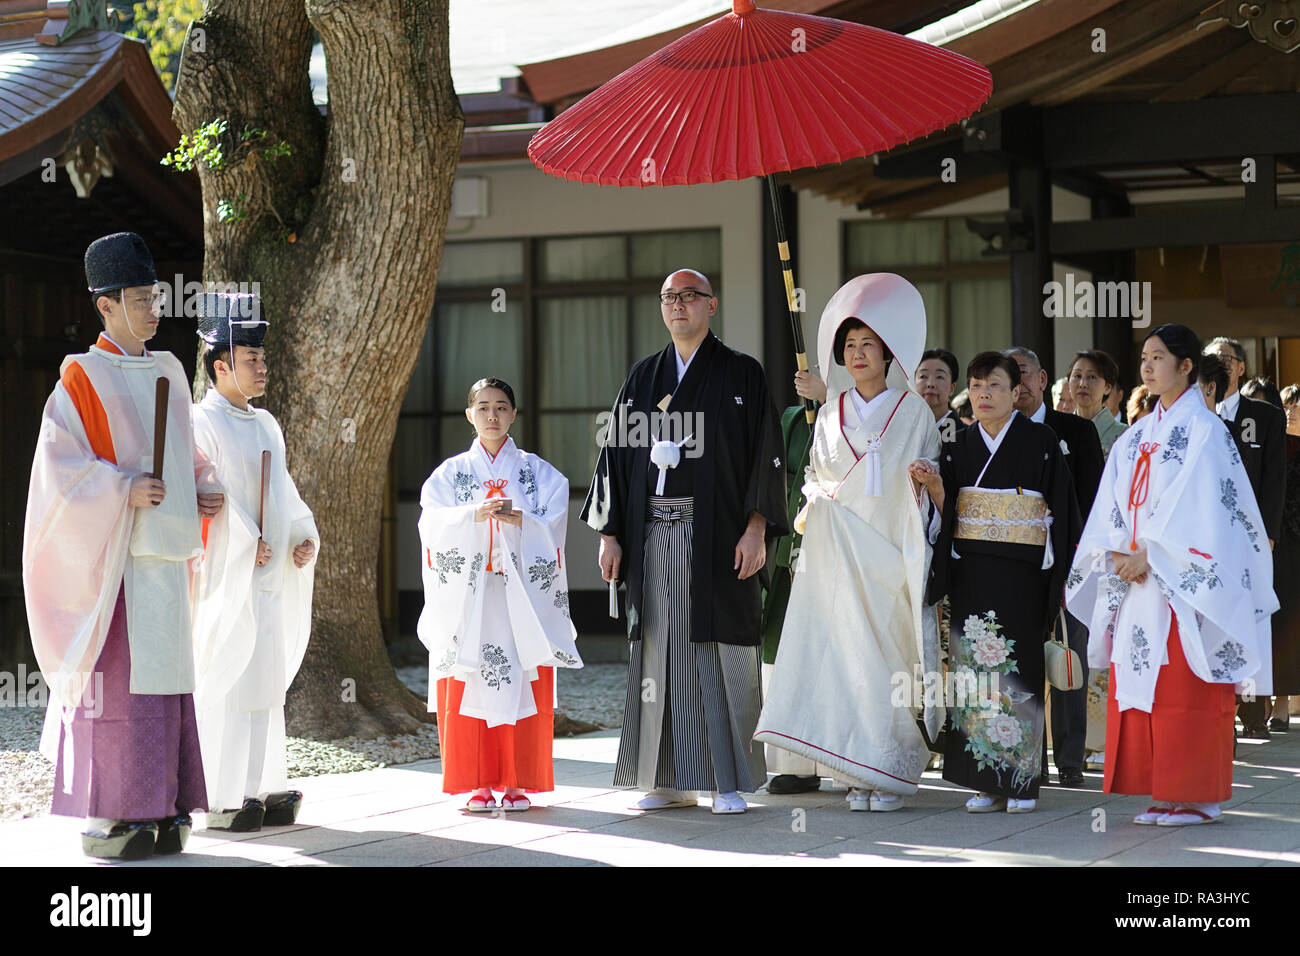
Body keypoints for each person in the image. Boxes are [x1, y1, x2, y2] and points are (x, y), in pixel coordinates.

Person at [24, 233, 223, 859]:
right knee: (122, 690)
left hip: (164, 556)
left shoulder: (168, 368)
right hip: (116, 562)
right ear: (105, 305)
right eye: (140, 298)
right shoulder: (82, 376)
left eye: (155, 296)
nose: (153, 308)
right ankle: (110, 817)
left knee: (167, 686)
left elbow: (187, 452)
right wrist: (121, 487)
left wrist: (204, 484)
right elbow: (60, 470)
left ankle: (164, 808)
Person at [583, 269, 787, 815]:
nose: (678, 305)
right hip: (651, 538)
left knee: (719, 653)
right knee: (657, 653)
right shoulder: (643, 376)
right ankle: (665, 778)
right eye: (670, 298)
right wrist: (610, 533)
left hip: (718, 537)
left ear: (711, 306)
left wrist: (756, 527)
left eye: (689, 297)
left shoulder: (741, 374)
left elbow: (767, 453)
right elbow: (616, 461)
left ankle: (727, 780)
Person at [1067, 324, 1277, 826]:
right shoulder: (1137, 434)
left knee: (1188, 686)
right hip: (1139, 584)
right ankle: (1164, 791)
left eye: (1158, 357)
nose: (1147, 366)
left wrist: (1154, 554)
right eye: (1144, 357)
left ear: (1186, 367)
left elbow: (1211, 511)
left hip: (1186, 584)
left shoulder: (1207, 432)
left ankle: (1198, 795)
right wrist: (1116, 552)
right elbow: (1112, 502)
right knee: (1150, 686)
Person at [756, 274, 942, 811]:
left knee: (886, 660)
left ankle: (888, 773)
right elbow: (814, 475)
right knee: (845, 663)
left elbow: (926, 481)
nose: (858, 355)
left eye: (869, 346)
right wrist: (816, 501)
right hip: (839, 555)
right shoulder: (830, 415)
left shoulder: (914, 412)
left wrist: (926, 485)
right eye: (851, 346)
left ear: (888, 355)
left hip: (888, 554)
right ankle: (856, 772)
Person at [915, 351, 1080, 813]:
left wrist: (1057, 572)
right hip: (971, 572)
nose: (985, 394)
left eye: (995, 386)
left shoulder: (1043, 440)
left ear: (1015, 393)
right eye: (978, 386)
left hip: (1023, 573)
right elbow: (950, 509)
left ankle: (1020, 780)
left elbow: (1061, 510)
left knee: (1017, 672)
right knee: (974, 674)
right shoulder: (959, 445)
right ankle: (984, 781)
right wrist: (934, 488)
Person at [418, 378, 582, 812]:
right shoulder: (450, 474)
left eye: (502, 407)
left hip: (519, 599)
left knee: (521, 682)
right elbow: (431, 523)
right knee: (469, 679)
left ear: (514, 414)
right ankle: (476, 782)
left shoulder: (537, 471)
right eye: (484, 407)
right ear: (469, 414)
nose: (492, 416)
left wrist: (519, 518)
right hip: (471, 598)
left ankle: (515, 782)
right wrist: (472, 515)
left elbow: (553, 520)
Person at [190, 292, 319, 832]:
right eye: (251, 361)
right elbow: (204, 491)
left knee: (265, 684)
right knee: (230, 677)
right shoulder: (201, 421)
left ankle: (263, 784)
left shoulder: (268, 424)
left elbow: (284, 490)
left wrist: (299, 534)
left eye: (264, 360)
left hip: (266, 573)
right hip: (227, 574)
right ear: (221, 366)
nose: (262, 369)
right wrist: (242, 539)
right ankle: (222, 796)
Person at [1007, 346, 1103, 788]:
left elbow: (1096, 500)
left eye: (1022, 373)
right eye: (1006, 375)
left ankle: (1069, 757)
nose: (1017, 383)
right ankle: (1028, 757)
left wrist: (1078, 559)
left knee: (1068, 657)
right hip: (1016, 565)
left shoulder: (1076, 431)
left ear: (1043, 379)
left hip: (1070, 561)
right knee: (1019, 659)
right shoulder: (995, 433)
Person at [1204, 337, 1286, 739]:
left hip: (1251, 536)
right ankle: (1216, 708)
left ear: (1241, 368)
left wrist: (1268, 533)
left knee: (1251, 617)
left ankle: (1253, 713)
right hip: (1206, 536)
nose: (1219, 366)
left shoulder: (1265, 417)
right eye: (1212, 360)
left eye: (1226, 360)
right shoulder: (1196, 414)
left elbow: (1275, 479)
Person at [760, 367, 825, 796]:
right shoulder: (789, 419)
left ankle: (847, 758)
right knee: (784, 649)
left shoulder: (866, 416)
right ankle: (793, 762)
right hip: (792, 549)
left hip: (844, 546)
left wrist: (830, 405)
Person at [1069, 350, 1128, 459]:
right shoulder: (1059, 431)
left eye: (1092, 377)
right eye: (1077, 376)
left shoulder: (1124, 434)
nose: (1083, 384)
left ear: (1107, 387)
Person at [917, 347, 964, 437]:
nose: (930, 384)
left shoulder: (964, 436)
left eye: (939, 377)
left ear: (952, 388)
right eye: (923, 376)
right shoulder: (902, 431)